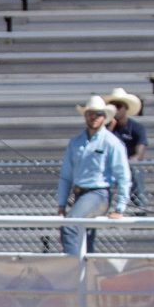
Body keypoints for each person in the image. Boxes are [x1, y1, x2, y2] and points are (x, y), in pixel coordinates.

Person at [57, 96, 132, 255]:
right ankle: (87, 267)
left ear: (104, 117)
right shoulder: (75, 142)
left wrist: (120, 207)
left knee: (70, 226)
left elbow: (123, 175)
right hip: (79, 194)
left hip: (98, 194)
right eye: (90, 113)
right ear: (85, 116)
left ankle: (72, 266)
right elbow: (65, 176)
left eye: (98, 114)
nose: (94, 117)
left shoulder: (111, 142)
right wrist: (61, 204)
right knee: (85, 237)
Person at [107, 88, 149, 209]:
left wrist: (125, 163)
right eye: (112, 106)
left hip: (128, 164)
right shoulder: (105, 129)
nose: (115, 109)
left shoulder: (136, 128)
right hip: (110, 164)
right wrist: (109, 128)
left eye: (118, 106)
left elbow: (139, 154)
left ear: (126, 108)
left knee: (135, 169)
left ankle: (140, 207)